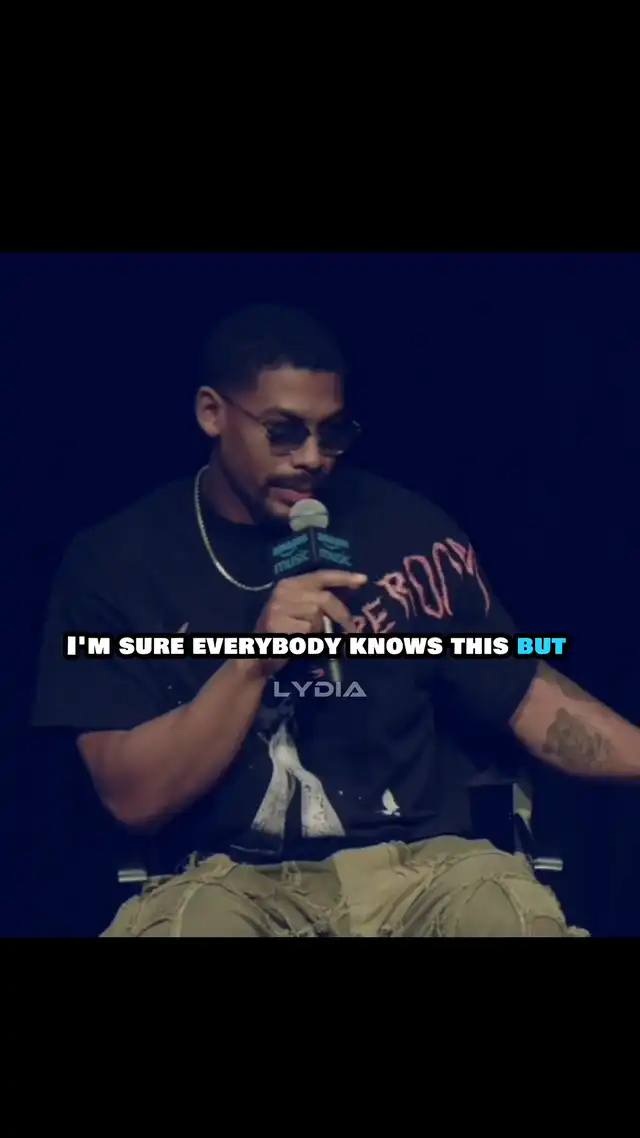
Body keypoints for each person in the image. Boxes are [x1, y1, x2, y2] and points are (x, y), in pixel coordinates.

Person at [32, 304, 639, 938]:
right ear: (212, 413)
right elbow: (132, 798)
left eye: (333, 433)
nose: (312, 457)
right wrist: (253, 660)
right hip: (226, 878)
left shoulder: (408, 530)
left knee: (507, 917)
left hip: (421, 871)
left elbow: (527, 696)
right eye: (283, 432)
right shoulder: (121, 560)